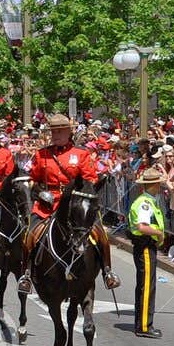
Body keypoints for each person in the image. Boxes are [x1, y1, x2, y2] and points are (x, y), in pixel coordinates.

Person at [21, 113, 119, 293]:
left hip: (76, 206)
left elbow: (90, 180)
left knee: (101, 234)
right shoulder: (42, 154)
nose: (56, 134)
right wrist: (40, 193)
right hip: (48, 204)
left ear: (69, 133)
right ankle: (26, 274)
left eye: (60, 130)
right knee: (30, 235)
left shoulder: (80, 154)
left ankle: (107, 272)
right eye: (53, 131)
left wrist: (79, 198)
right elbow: (32, 180)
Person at [128, 167, 166, 338]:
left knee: (146, 286)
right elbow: (142, 227)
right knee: (147, 287)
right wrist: (159, 233)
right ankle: (144, 325)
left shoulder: (148, 200)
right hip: (145, 246)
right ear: (155, 184)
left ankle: (142, 323)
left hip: (146, 246)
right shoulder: (145, 203)